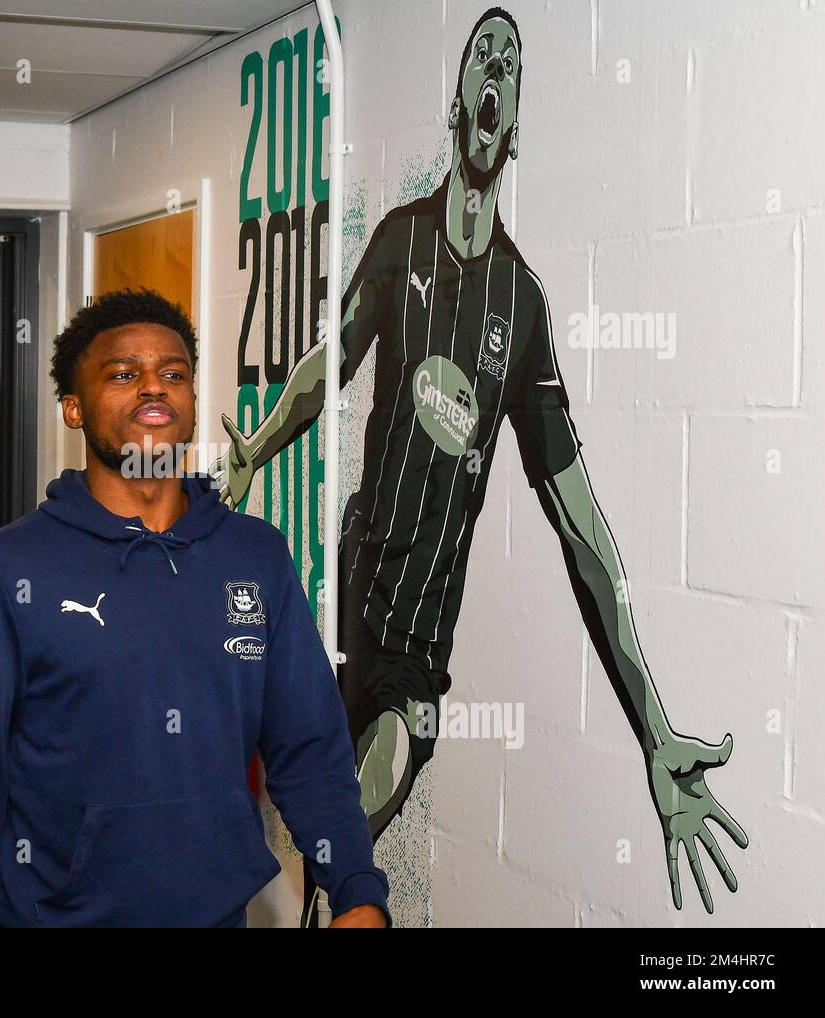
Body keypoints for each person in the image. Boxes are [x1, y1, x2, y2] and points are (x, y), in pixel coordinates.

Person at [216, 7, 746, 921]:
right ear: (458, 98)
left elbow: (586, 536)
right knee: (316, 850)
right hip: (347, 598)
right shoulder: (399, 239)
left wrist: (654, 728)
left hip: (416, 653)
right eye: (481, 56)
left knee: (347, 825)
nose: (494, 68)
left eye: (511, 62)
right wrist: (258, 449)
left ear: (514, 119)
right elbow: (327, 362)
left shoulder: (523, 304)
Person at [0, 288, 390, 927]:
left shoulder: (254, 556)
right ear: (73, 408)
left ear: (192, 403)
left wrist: (356, 890)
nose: (153, 387)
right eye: (122, 374)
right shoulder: (6, 569)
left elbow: (307, 744)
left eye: (173, 373)